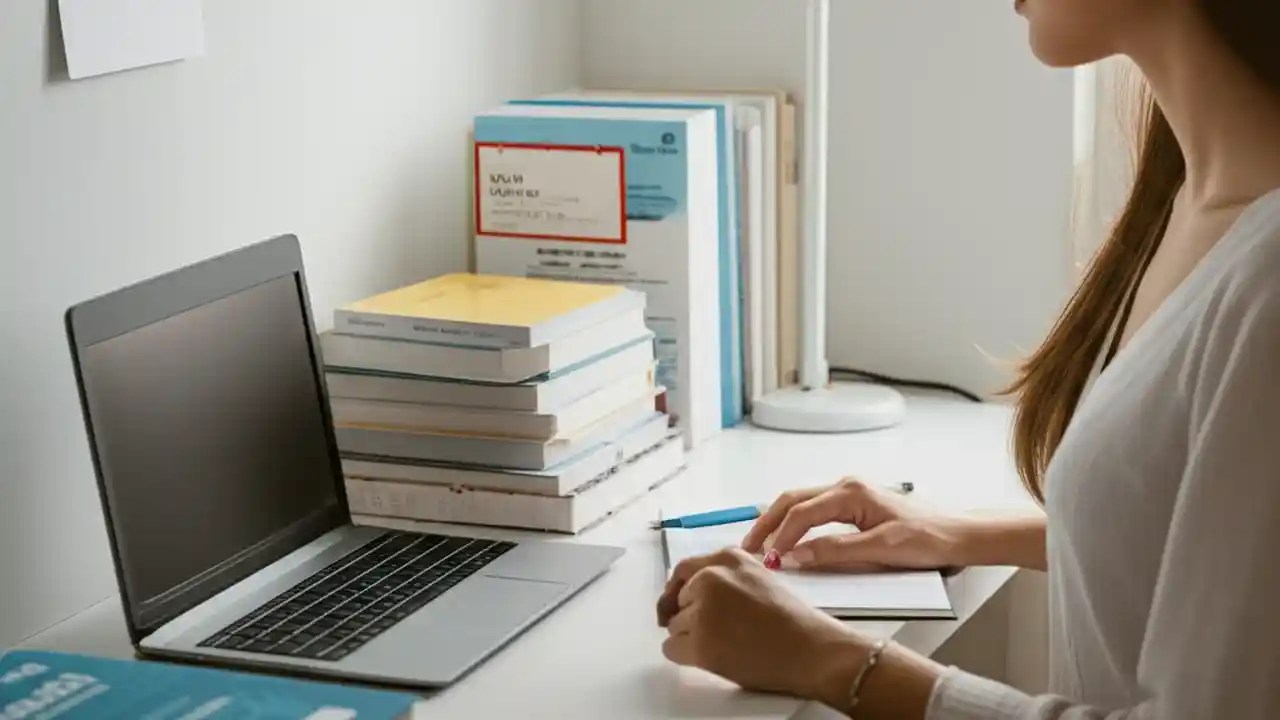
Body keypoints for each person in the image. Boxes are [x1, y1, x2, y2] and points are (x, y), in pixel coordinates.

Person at [656, 0, 1280, 717]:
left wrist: (826, 658)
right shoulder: (1193, 199)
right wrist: (956, 531)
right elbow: (1202, 538)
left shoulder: (1267, 280)